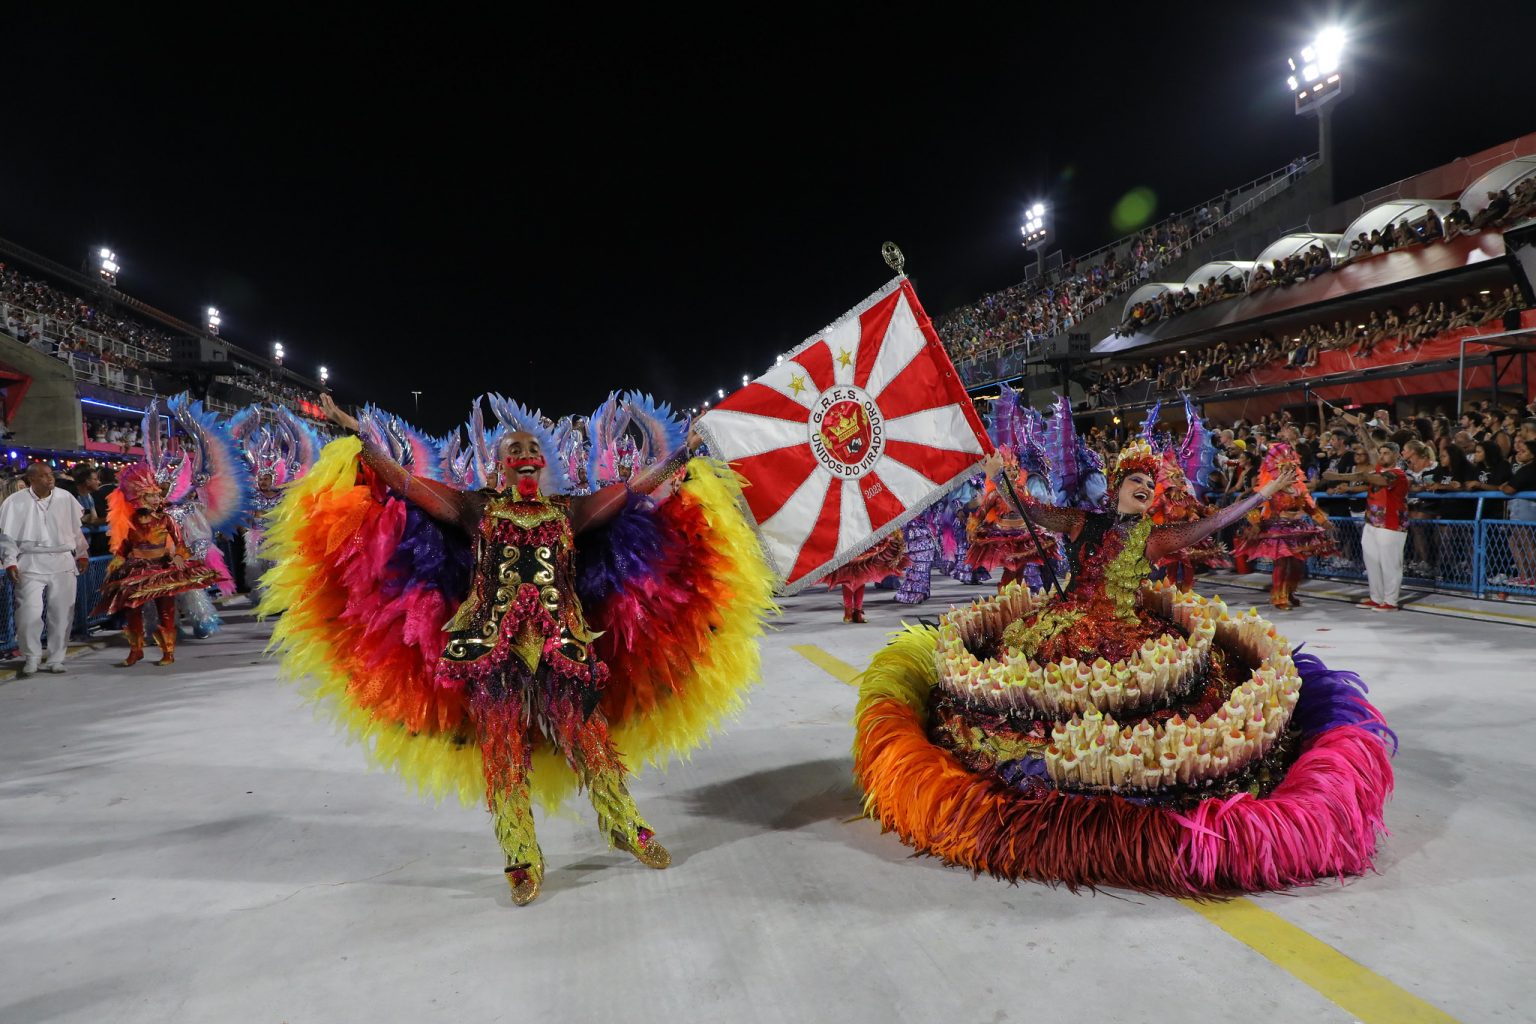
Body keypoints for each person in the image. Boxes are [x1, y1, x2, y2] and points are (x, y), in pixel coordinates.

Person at [275, 392, 774, 906]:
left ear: (543, 459)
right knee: (504, 753)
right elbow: (403, 482)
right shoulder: (474, 507)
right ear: (498, 465)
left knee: (592, 745)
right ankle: (521, 855)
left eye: (531, 447)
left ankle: (625, 824)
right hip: (494, 652)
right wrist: (353, 430)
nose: (523, 454)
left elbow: (630, 490)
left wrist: (681, 455)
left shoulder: (570, 510)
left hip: (564, 648)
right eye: (513, 449)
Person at [850, 439, 1395, 894]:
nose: (1142, 490)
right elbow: (1028, 512)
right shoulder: (1079, 521)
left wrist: (1266, 493)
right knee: (1030, 696)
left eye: (1148, 486)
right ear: (1115, 486)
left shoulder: (1157, 538)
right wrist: (1001, 479)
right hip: (1060, 625)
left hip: (1130, 637)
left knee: (1165, 697)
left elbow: (1215, 525)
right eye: (1134, 482)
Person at [93, 463, 223, 666]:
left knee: (166, 610)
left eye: (157, 495)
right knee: (133, 608)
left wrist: (179, 556)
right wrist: (118, 559)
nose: (156, 498)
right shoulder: (132, 521)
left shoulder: (166, 519)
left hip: (162, 568)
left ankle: (168, 652)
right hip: (137, 569)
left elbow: (179, 542)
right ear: (140, 498)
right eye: (151, 495)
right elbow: (125, 544)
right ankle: (136, 650)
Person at [0, 464, 89, 675]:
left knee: (61, 613)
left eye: (50, 475)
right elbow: (8, 536)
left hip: (63, 561)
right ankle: (31, 657)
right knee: (28, 612)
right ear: (31, 479)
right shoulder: (15, 502)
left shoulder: (65, 497)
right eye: (43, 476)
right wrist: (10, 561)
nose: (49, 479)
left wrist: (82, 553)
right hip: (30, 562)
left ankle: (56, 658)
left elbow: (75, 529)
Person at [1234, 443, 1335, 609]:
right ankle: (1278, 598)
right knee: (1281, 564)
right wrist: (1256, 525)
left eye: (1291, 467)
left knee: (1297, 564)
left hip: (1297, 529)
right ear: (1277, 469)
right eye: (1284, 467)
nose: (1289, 470)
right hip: (1277, 530)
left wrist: (1323, 521)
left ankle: (1289, 593)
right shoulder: (1271, 488)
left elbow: (1310, 507)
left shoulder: (1298, 488)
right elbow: (1253, 507)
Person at [1326, 441, 1410, 610]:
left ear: (1396, 455)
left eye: (1386, 453)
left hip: (1391, 525)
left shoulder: (1397, 474)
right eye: (1381, 453)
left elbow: (1371, 478)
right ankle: (1376, 597)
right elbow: (1371, 449)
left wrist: (1339, 477)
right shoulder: (1379, 469)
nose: (1382, 456)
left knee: (1390, 564)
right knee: (1372, 562)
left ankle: (1391, 601)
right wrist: (1362, 428)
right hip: (1372, 523)